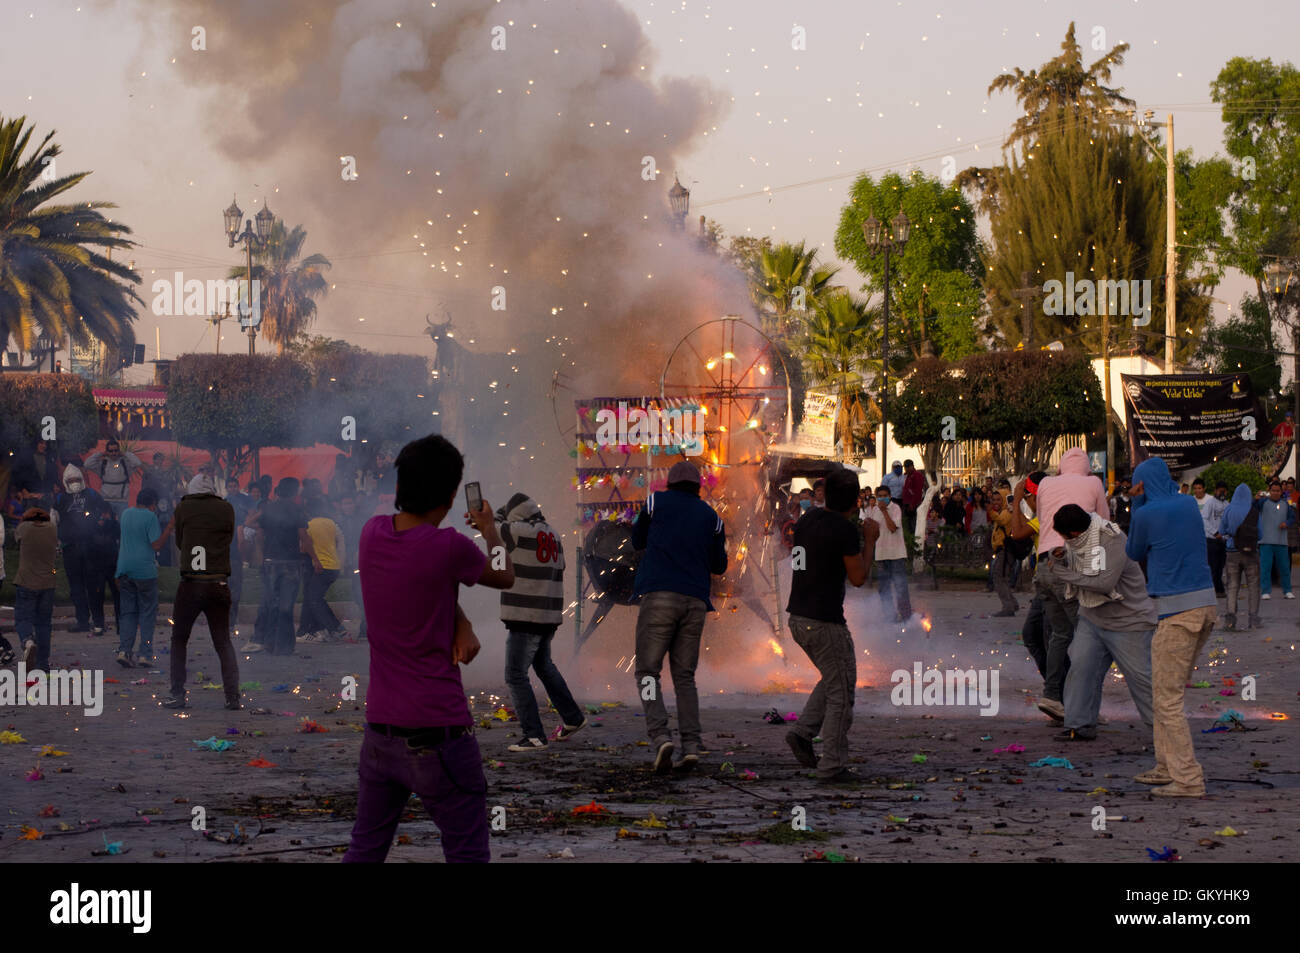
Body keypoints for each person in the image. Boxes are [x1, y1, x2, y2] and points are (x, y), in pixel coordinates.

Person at [342, 434, 516, 864]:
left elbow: (416, 584)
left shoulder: (372, 534)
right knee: (467, 851)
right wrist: (490, 528)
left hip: (381, 734)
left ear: (400, 487)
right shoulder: (451, 546)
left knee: (365, 850)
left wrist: (461, 620)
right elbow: (503, 574)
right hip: (440, 734)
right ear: (453, 494)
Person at [1126, 456, 1218, 797]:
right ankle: (1166, 765)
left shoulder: (1146, 513)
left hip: (1177, 614)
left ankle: (1188, 779)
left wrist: (1136, 502)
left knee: (1167, 700)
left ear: (1143, 483)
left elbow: (1134, 551)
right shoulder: (1187, 504)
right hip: (1205, 606)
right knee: (1165, 690)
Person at [630, 460, 728, 774]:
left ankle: (660, 737)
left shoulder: (654, 502)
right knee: (684, 676)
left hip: (659, 596)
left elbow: (636, 541)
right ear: (698, 486)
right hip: (696, 602)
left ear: (669, 483)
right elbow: (720, 566)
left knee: (647, 672)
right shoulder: (712, 517)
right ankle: (691, 745)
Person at [786, 468, 877, 783]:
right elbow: (859, 578)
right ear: (855, 500)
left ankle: (803, 732)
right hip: (824, 620)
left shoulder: (807, 520)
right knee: (841, 690)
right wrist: (870, 540)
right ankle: (832, 765)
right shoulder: (845, 530)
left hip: (797, 617)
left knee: (835, 676)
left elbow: (799, 562)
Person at [1048, 504, 1156, 742]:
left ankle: (1166, 733)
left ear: (1075, 533)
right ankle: (1080, 725)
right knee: (1081, 669)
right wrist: (1061, 557)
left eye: (1064, 537)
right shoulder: (1082, 539)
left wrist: (1060, 572)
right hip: (1092, 617)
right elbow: (1081, 559)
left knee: (1142, 681)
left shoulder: (1112, 539)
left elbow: (1103, 584)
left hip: (1130, 621)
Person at [495, 493, 586, 751]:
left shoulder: (518, 531)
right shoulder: (554, 534)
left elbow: (492, 527)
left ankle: (534, 736)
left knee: (515, 674)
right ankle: (573, 717)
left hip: (526, 615)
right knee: (543, 665)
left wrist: (497, 513)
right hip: (548, 614)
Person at [1029, 448, 1110, 722]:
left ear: (1062, 466)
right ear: (1086, 466)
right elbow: (1104, 523)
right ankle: (1083, 704)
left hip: (1043, 566)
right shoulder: (1094, 483)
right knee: (1087, 634)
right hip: (1072, 561)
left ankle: (1052, 695)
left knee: (1060, 634)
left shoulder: (1046, 484)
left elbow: (1042, 520)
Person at [166, 473, 240, 711]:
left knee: (179, 640)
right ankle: (232, 696)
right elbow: (228, 538)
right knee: (223, 642)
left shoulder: (183, 507)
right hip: (218, 583)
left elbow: (180, 541)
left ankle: (177, 694)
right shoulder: (226, 508)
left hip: (191, 583)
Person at [246, 477, 321, 655]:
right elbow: (304, 537)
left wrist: (263, 526)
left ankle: (270, 643)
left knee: (272, 603)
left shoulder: (268, 508)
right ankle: (285, 646)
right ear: (294, 492)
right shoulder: (297, 510)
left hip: (271, 562)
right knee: (286, 606)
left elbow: (249, 523)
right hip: (290, 563)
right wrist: (315, 559)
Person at [114, 487, 172, 668]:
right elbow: (156, 545)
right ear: (152, 504)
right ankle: (145, 655)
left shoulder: (125, 514)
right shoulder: (150, 517)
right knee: (147, 614)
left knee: (128, 613)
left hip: (124, 569)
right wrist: (169, 528)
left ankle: (124, 651)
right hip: (144, 571)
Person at [54, 465, 114, 635]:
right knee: (76, 587)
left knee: (94, 586)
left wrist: (101, 525)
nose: (74, 483)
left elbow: (105, 511)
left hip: (91, 547)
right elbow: (54, 518)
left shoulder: (92, 494)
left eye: (77, 480)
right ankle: (82, 621)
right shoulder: (60, 498)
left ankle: (98, 622)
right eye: (71, 481)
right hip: (70, 548)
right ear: (65, 482)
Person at [13, 505, 58, 670]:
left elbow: (16, 538)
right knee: (44, 624)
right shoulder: (52, 529)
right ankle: (43, 663)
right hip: (48, 583)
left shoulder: (24, 528)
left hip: (26, 581)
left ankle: (27, 641)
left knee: (23, 619)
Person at [298, 497, 347, 642]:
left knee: (314, 599)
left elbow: (303, 547)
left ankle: (335, 628)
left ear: (308, 511)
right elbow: (341, 541)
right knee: (315, 597)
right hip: (334, 567)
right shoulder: (332, 523)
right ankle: (321, 629)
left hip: (320, 567)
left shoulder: (309, 525)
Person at [1218, 483, 1261, 631]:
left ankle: (1230, 619)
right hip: (1251, 553)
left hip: (1232, 551)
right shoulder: (1254, 511)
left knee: (1232, 586)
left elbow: (1221, 530)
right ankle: (1253, 620)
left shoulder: (1229, 509)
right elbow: (1260, 534)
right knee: (1253, 586)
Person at [866, 485, 910, 623]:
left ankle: (906, 618)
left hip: (896, 555)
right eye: (880, 496)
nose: (882, 498)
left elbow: (892, 528)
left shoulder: (895, 508)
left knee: (900, 588)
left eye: (885, 495)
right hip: (881, 555)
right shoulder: (874, 511)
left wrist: (885, 512)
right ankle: (890, 618)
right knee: (883, 590)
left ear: (890, 496)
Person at [1256, 480, 1296, 599]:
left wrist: (1287, 523)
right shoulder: (1263, 503)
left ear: (1281, 491)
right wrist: (1256, 499)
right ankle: (1265, 591)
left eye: (1277, 491)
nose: (1275, 493)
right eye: (1273, 490)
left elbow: (1292, 517)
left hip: (1281, 541)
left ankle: (1287, 590)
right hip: (1265, 541)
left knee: (1284, 568)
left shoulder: (1285, 504)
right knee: (1265, 568)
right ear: (1269, 491)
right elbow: (1252, 508)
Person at [84, 439, 143, 518]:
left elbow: (138, 463)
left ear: (119, 451)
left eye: (116, 450)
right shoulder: (103, 464)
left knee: (122, 525)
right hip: (106, 501)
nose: (113, 453)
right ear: (107, 451)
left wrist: (124, 453)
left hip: (122, 501)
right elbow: (87, 464)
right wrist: (101, 454)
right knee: (107, 525)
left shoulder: (125, 464)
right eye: (111, 451)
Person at [1191, 478, 1228, 596]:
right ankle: (1216, 590)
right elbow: (1204, 519)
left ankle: (1218, 588)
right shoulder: (1210, 503)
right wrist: (1215, 532)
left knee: (1220, 566)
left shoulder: (1227, 504)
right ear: (1215, 491)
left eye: (1224, 492)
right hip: (1211, 540)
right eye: (1219, 491)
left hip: (1223, 540)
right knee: (1213, 566)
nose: (1221, 494)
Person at [140, 453, 177, 567]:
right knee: (151, 531)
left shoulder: (167, 473)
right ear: (154, 460)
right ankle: (152, 557)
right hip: (151, 503)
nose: (161, 461)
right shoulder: (148, 472)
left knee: (164, 529)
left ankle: (165, 559)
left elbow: (171, 489)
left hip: (164, 505)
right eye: (159, 459)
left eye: (162, 459)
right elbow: (144, 487)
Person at [987, 488, 1020, 617]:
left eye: (998, 499)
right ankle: (1012, 604)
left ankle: (1008, 607)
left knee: (998, 578)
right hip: (1002, 550)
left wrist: (991, 512)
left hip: (1005, 551)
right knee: (1002, 578)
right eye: (993, 500)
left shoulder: (1007, 512)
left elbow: (1002, 521)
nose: (995, 502)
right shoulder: (1003, 511)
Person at [900, 459, 927, 558]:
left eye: (907, 466)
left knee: (913, 527)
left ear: (912, 466)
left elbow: (917, 492)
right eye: (905, 467)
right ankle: (910, 548)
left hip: (913, 505)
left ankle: (915, 549)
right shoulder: (908, 476)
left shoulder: (917, 475)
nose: (906, 468)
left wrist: (912, 504)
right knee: (907, 527)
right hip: (906, 503)